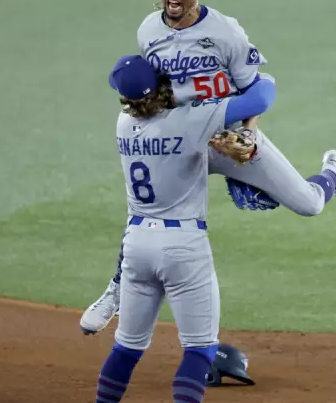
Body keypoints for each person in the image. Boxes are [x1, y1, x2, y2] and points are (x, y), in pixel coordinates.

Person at [80, 0, 336, 335]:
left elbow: (258, 88)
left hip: (226, 136)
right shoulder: (148, 31)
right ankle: (115, 292)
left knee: (309, 204)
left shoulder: (224, 31)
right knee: (145, 212)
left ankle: (335, 171)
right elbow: (154, 93)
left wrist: (246, 134)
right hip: (178, 139)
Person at [94, 53, 282, 403]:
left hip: (136, 243)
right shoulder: (191, 120)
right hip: (182, 244)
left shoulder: (123, 122)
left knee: (126, 349)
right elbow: (262, 95)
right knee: (199, 351)